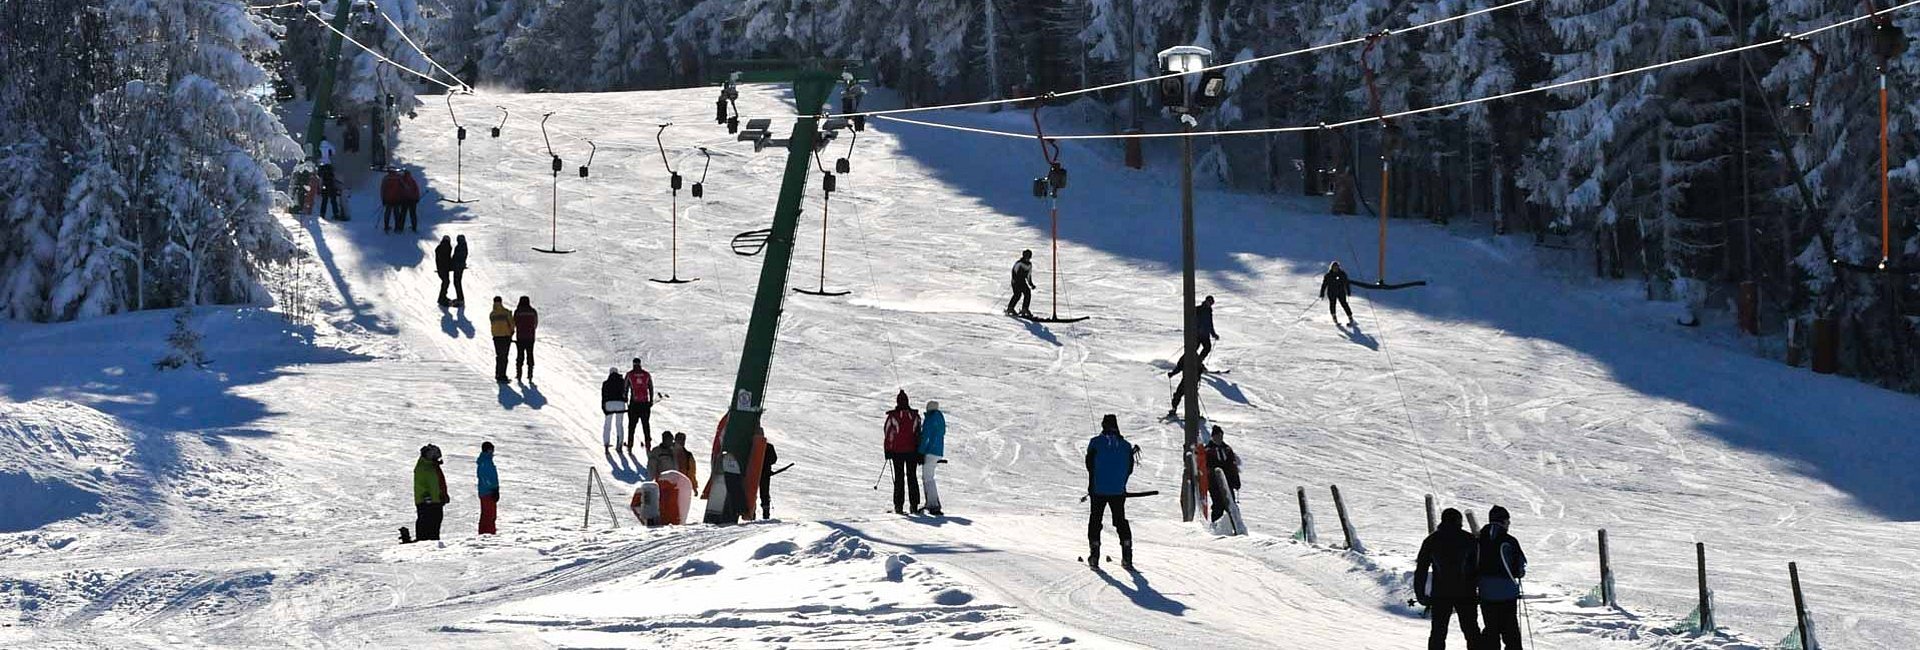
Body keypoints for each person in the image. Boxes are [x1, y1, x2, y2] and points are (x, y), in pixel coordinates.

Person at [1414, 508, 1482, 650]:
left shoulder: (1432, 540)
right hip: (1466, 592)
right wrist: (1478, 589)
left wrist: (1421, 594)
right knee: (1472, 631)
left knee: (1438, 633)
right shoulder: (1469, 539)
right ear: (1459, 521)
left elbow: (1421, 569)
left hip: (1441, 593)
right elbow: (1478, 567)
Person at [1085, 414, 1136, 570]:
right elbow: (1130, 468)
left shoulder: (1095, 443)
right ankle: (1127, 556)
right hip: (1118, 491)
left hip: (1098, 489)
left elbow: (1089, 465)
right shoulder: (1126, 446)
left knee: (1095, 520)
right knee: (1120, 521)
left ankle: (1094, 556)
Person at [1476, 506, 1528, 650]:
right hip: (1507, 594)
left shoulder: (1479, 539)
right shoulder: (1509, 540)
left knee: (1491, 630)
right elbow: (1519, 568)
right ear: (1503, 521)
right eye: (1507, 520)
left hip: (1486, 593)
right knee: (1510, 632)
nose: (1509, 523)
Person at [882, 390, 922, 514]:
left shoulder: (893, 416)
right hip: (912, 451)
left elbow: (888, 433)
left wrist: (887, 450)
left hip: (897, 452)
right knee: (912, 477)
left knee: (899, 478)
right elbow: (919, 434)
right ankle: (914, 505)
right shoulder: (915, 416)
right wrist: (920, 452)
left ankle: (898, 506)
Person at [411, 444, 449, 542]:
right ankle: (423, 544)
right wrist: (426, 496)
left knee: (435, 527)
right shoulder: (423, 467)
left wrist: (443, 494)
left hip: (436, 500)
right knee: (426, 527)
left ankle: (433, 545)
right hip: (427, 502)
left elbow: (439, 482)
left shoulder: (433, 466)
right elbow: (422, 483)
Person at [1204, 424, 1240, 523]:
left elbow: (1233, 465)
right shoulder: (1208, 450)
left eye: (1220, 436)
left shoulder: (1227, 449)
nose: (1219, 438)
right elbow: (1206, 466)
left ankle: (1233, 524)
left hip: (1228, 482)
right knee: (1218, 505)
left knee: (1230, 504)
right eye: (1217, 436)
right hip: (1214, 483)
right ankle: (1216, 524)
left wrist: (1236, 480)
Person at [918, 400, 946, 517]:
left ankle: (933, 504)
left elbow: (926, 436)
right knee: (929, 477)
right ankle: (931, 502)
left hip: (930, 451)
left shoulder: (930, 419)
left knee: (928, 477)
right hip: (938, 451)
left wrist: (921, 451)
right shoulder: (940, 418)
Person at [624, 359, 656, 450]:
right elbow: (651, 388)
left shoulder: (630, 374)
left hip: (634, 404)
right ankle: (648, 443)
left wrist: (625, 399)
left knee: (631, 426)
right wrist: (651, 400)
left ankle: (630, 444)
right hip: (645, 404)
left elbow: (625, 388)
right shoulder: (646, 374)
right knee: (646, 425)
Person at [1164, 352, 1206, 419]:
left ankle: (1175, 409)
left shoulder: (1188, 356)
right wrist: (1172, 373)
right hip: (1190, 380)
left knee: (1181, 394)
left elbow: (1179, 367)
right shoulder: (1194, 356)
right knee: (1189, 396)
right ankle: (1195, 413)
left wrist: (1172, 373)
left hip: (1189, 380)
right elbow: (1200, 369)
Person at [1320, 261, 1355, 326]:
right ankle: (1334, 317)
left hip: (1341, 292)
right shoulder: (1328, 275)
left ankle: (1350, 317)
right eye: (1334, 267)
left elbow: (1346, 283)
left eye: (1337, 267)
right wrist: (1322, 293)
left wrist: (1348, 291)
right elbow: (1324, 285)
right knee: (1332, 304)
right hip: (1331, 292)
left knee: (1344, 304)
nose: (1336, 269)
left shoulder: (1342, 274)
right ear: (1331, 268)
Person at [600, 369, 628, 450]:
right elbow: (625, 392)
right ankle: (619, 443)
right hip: (620, 403)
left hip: (609, 404)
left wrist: (603, 407)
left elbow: (603, 396)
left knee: (607, 424)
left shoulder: (606, 383)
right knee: (619, 424)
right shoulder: (622, 382)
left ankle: (606, 442)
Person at [476, 441, 499, 535]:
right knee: (489, 515)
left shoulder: (487, 460)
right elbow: (485, 477)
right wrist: (493, 488)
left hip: (488, 491)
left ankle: (487, 533)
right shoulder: (485, 462)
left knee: (489, 514)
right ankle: (487, 534)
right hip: (487, 492)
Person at [513, 297, 538, 381]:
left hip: (520, 336)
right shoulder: (533, 311)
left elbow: (514, 323)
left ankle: (519, 374)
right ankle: (530, 374)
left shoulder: (517, 311)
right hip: (530, 337)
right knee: (530, 354)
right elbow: (535, 323)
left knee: (520, 355)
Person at [1005, 249, 1035, 318]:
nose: (1028, 258)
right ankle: (1010, 308)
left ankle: (1025, 309)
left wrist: (1031, 284)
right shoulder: (1019, 263)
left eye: (1029, 257)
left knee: (1027, 293)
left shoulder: (1029, 265)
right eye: (1026, 256)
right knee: (1017, 294)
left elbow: (1028, 275)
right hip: (1016, 281)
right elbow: (1014, 271)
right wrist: (1015, 279)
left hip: (1022, 282)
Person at [488, 297, 512, 383]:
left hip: (496, 337)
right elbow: (512, 324)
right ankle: (503, 375)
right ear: (501, 302)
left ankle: (498, 373)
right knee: (504, 356)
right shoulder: (506, 312)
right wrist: (511, 332)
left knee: (499, 356)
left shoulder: (492, 314)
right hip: (505, 336)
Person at [759, 440, 779, 520]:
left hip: (756, 473)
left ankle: (756, 513)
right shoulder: (769, 446)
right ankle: (765, 514)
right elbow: (774, 459)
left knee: (758, 493)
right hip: (764, 473)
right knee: (764, 493)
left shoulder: (752, 445)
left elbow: (774, 459)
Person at [1196, 295, 1219, 361]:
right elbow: (1193, 321)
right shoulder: (1198, 309)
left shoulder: (1209, 311)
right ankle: (1183, 363)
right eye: (1210, 302)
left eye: (1212, 303)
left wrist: (1213, 334)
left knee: (1207, 347)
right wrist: (1197, 330)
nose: (1210, 304)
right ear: (1206, 301)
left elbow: (1210, 324)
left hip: (1205, 334)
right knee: (1193, 349)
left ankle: (1199, 361)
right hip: (1197, 334)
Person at [433, 236, 454, 306]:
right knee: (446, 282)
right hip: (444, 269)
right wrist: (450, 266)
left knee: (445, 282)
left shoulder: (439, 247)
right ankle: (441, 298)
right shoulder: (447, 247)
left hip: (441, 268)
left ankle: (443, 297)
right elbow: (447, 259)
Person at [450, 235, 469, 307]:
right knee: (457, 282)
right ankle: (459, 298)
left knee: (457, 282)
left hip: (458, 267)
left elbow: (456, 257)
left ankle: (460, 300)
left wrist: (452, 264)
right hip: (459, 267)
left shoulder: (460, 247)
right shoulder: (463, 246)